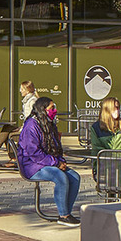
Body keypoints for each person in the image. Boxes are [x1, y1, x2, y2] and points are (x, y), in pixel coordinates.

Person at [19, 95, 81, 223]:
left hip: (49, 162)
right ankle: (63, 216)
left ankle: (66, 213)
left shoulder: (48, 123)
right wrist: (56, 163)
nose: (54, 110)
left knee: (74, 177)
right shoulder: (31, 125)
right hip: (32, 165)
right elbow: (34, 153)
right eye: (51, 108)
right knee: (60, 176)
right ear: (43, 109)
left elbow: (55, 146)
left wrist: (60, 161)